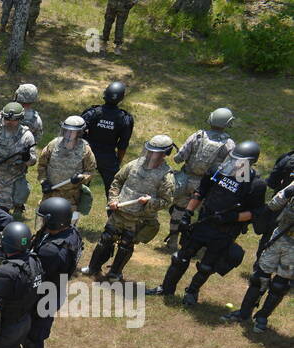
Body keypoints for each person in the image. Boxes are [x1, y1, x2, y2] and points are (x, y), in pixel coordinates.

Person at [147, 141, 265, 307]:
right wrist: (187, 214)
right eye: (234, 159)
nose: (235, 164)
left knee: (206, 266)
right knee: (180, 258)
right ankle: (166, 288)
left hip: (225, 230)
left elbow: (255, 213)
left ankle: (192, 292)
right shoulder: (218, 171)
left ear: (251, 162)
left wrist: (231, 218)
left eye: (241, 162)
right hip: (203, 223)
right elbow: (200, 192)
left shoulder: (255, 185)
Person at [81, 134, 175, 282]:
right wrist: (113, 199)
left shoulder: (166, 176)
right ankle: (93, 267)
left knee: (126, 244)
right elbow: (117, 181)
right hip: (119, 213)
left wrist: (149, 202)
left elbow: (166, 201)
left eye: (155, 152)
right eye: (150, 151)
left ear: (165, 154)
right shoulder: (134, 164)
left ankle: (114, 273)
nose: (151, 155)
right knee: (106, 239)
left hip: (139, 219)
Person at [14, 196, 81, 348]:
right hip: (53, 288)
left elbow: (32, 272)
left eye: (45, 218)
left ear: (55, 220)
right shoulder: (70, 233)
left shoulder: (52, 251)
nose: (42, 221)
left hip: (45, 295)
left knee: (34, 336)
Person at [165, 109, 234, 255]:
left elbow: (179, 158)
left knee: (178, 210)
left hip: (185, 180)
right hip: (207, 186)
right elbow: (230, 169)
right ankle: (191, 245)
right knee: (200, 216)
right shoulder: (229, 144)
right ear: (228, 123)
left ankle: (172, 241)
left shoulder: (197, 136)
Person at [226, 181, 293, 331]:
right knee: (259, 277)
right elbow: (273, 205)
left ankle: (262, 318)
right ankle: (244, 313)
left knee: (279, 285)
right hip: (279, 237)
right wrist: (289, 193)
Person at [36, 115, 96, 227]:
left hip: (71, 196)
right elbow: (42, 165)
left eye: (72, 132)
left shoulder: (85, 150)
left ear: (79, 133)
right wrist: (44, 182)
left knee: (68, 227)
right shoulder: (53, 145)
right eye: (66, 130)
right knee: (42, 224)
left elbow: (90, 172)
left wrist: (81, 178)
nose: (68, 134)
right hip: (51, 193)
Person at [80, 81, 134, 196]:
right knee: (113, 193)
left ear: (105, 94)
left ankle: (73, 213)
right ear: (121, 98)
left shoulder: (93, 113)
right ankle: (112, 213)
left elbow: (78, 130)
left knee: (78, 190)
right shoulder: (124, 119)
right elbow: (123, 145)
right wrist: (117, 161)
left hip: (87, 154)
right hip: (108, 158)